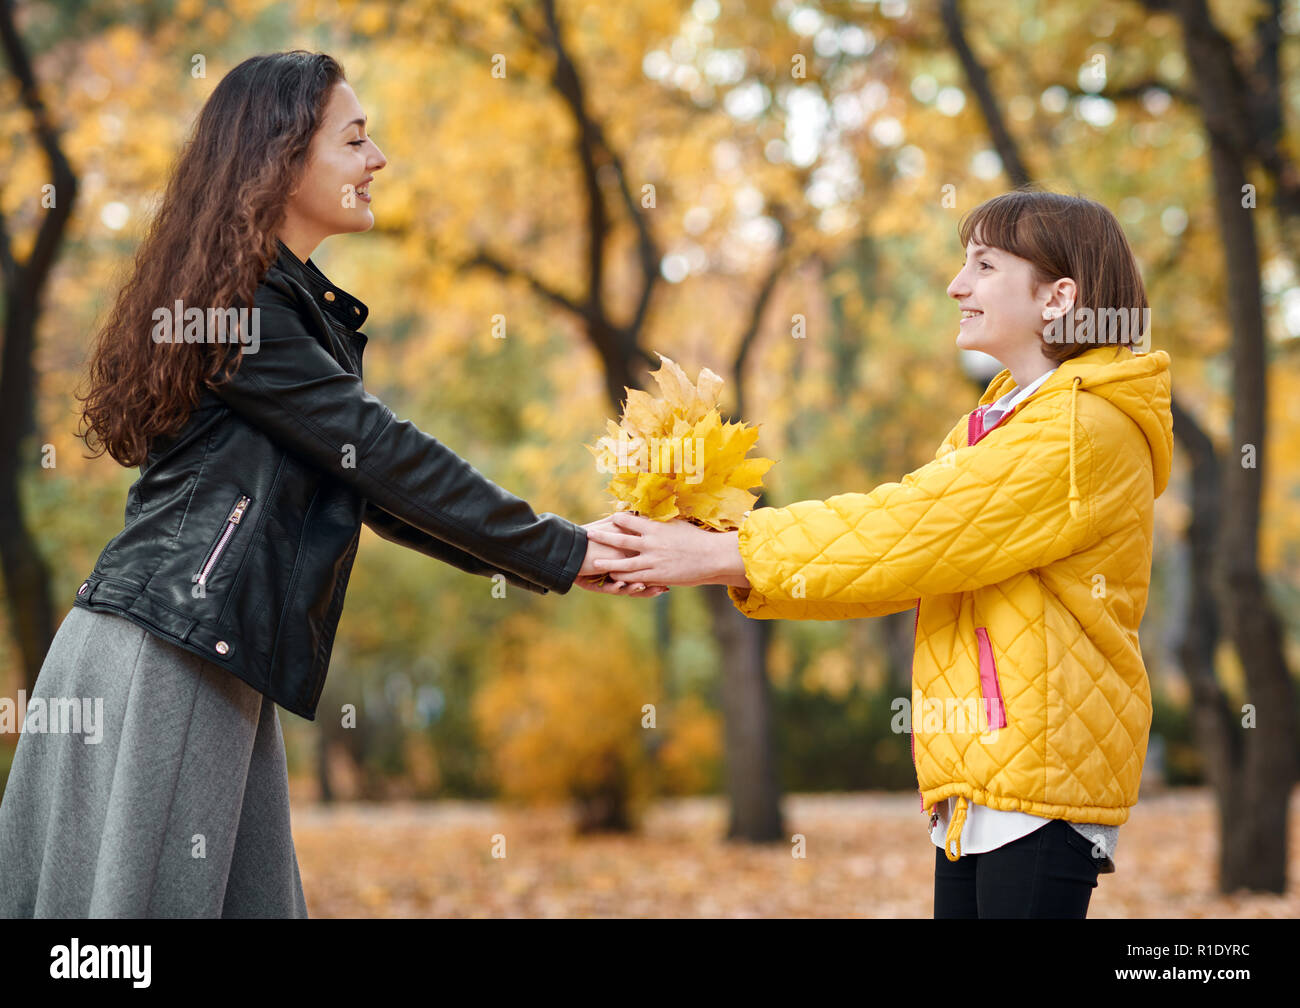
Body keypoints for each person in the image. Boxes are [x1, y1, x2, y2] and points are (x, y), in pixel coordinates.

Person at [0, 50, 656, 919]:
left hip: (206, 648)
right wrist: (560, 548)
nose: (377, 158)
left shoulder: (278, 308)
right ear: (280, 157)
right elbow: (382, 451)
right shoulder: (244, 316)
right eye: (354, 139)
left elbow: (375, 488)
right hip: (170, 651)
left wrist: (561, 557)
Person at [585, 190, 1174, 919]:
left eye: (985, 265)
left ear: (1059, 296)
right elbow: (899, 566)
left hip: (1039, 779)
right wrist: (716, 553)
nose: (957, 285)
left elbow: (910, 529)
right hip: (984, 779)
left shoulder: (1085, 430)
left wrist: (729, 554)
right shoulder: (997, 425)